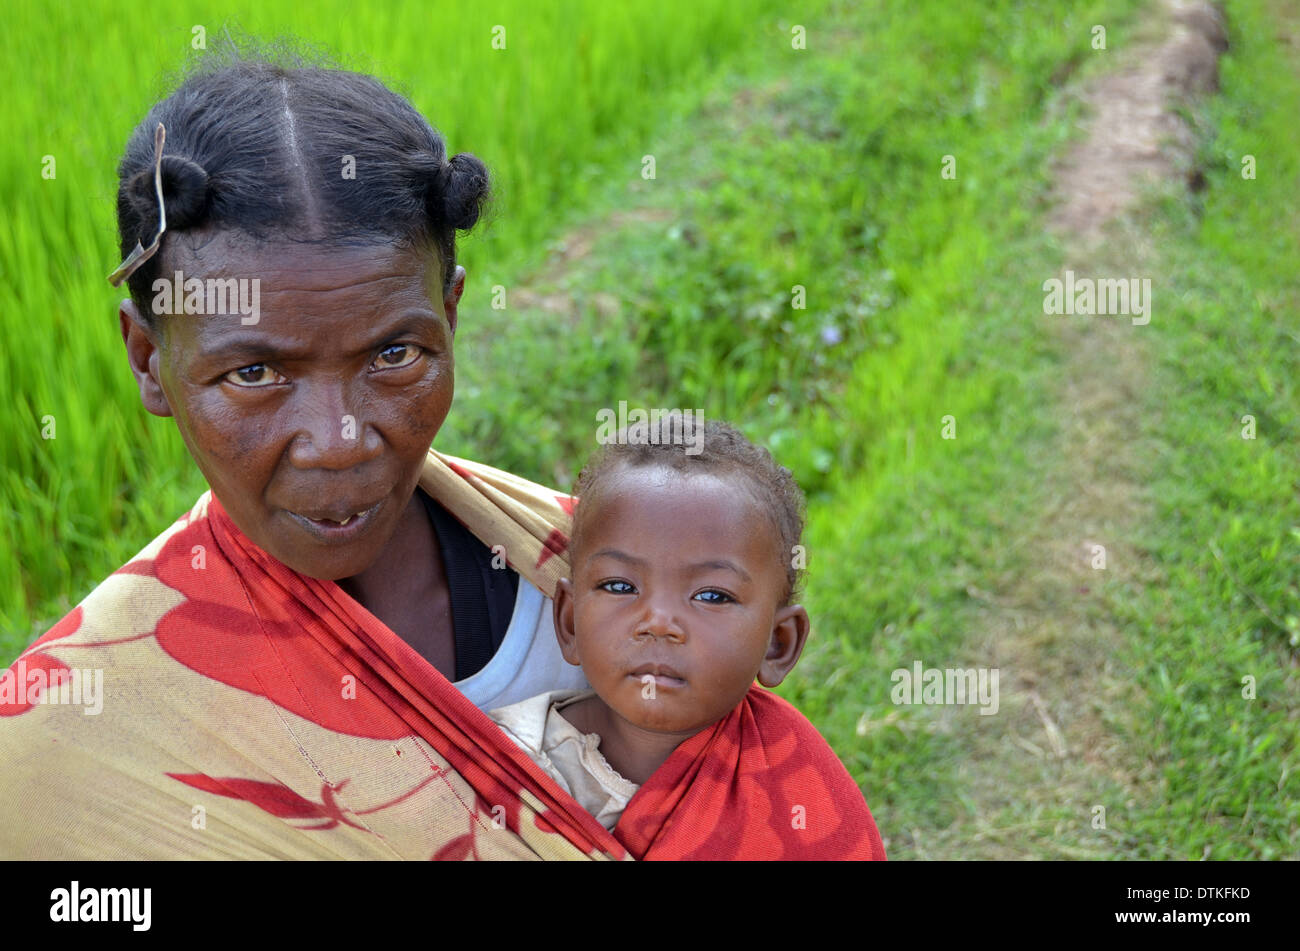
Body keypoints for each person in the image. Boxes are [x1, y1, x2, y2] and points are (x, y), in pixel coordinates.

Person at [2, 50, 634, 860]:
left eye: (394, 356)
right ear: (148, 362)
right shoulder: (70, 739)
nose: (338, 441)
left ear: (452, 315)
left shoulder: (608, 591)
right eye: (255, 372)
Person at [488, 415, 886, 859]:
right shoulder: (507, 763)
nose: (658, 621)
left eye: (712, 595)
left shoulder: (796, 779)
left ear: (779, 643)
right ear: (570, 622)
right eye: (620, 586)